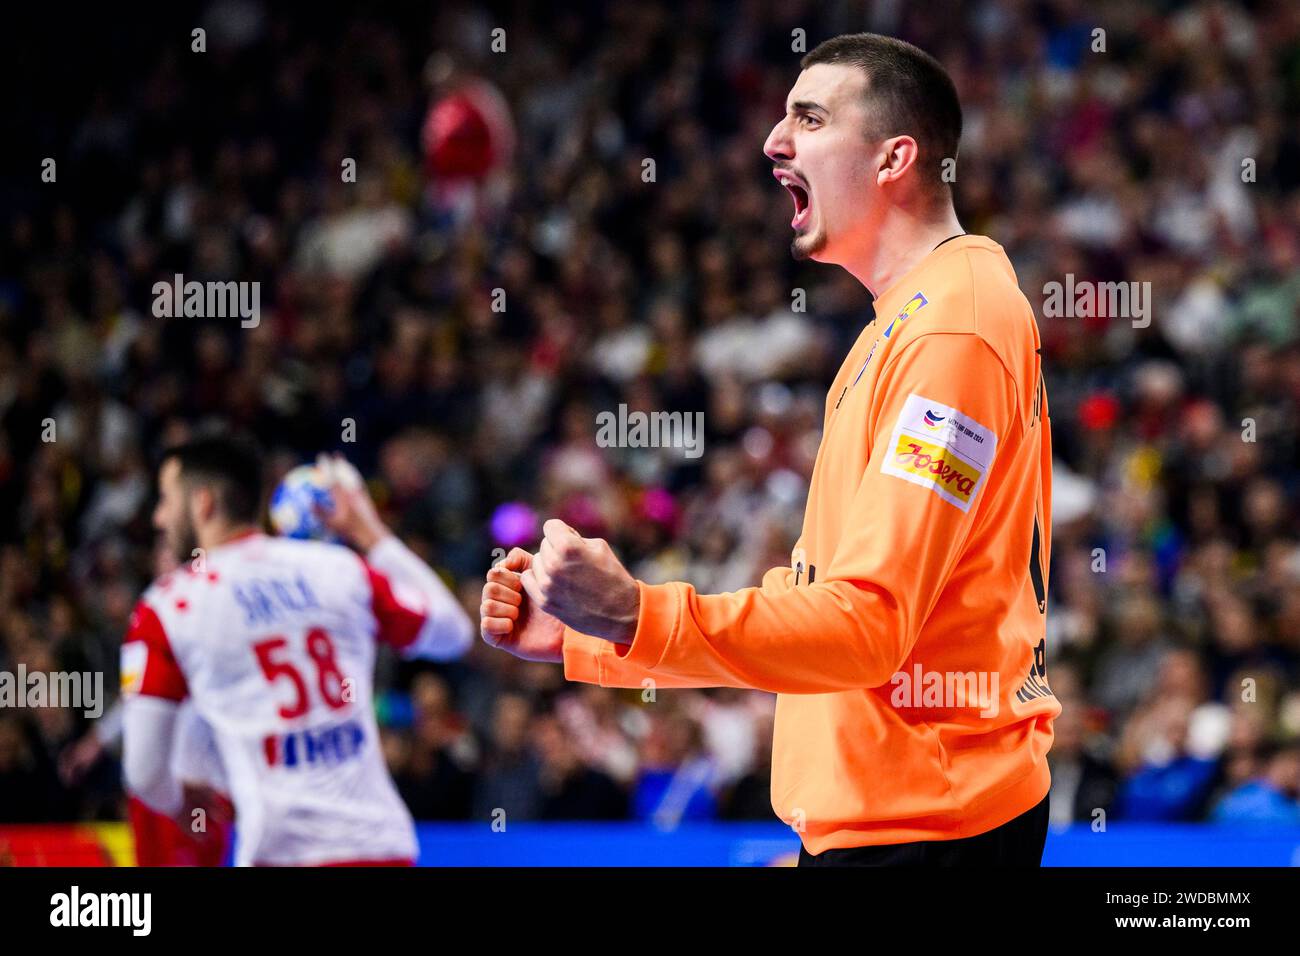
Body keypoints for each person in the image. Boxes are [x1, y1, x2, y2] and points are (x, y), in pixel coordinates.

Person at [480, 33, 1060, 866]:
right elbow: (817, 612)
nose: (773, 141)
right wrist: (594, 637)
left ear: (895, 157)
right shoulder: (904, 327)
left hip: (931, 827)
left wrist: (636, 613)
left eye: (810, 117)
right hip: (900, 822)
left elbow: (868, 626)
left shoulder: (952, 330)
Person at [122, 437, 474, 866]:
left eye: (165, 501)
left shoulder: (170, 606)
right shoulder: (339, 570)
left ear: (203, 503)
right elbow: (454, 632)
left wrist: (179, 800)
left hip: (284, 850)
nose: (159, 517)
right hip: (380, 844)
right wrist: (370, 531)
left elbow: (144, 773)